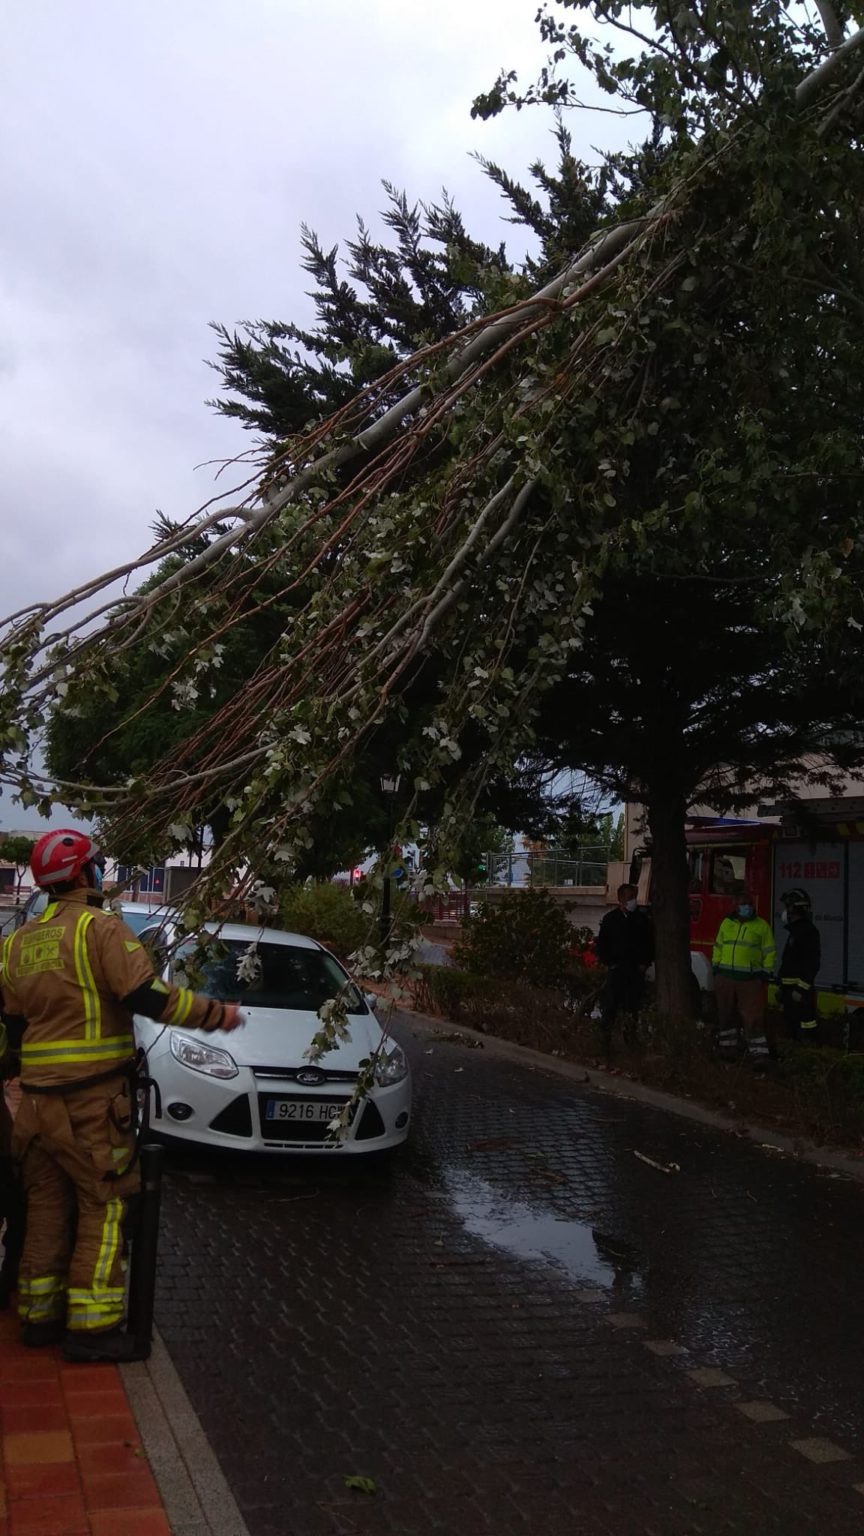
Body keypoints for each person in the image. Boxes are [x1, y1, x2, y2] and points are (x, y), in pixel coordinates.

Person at [0, 829, 244, 1362]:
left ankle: (38, 1319)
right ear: (87, 873)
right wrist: (214, 1015)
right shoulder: (102, 929)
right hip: (90, 1102)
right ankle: (93, 1329)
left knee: (44, 1205)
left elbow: (12, 1030)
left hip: (36, 1109)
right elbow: (145, 996)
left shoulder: (17, 943)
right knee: (105, 1204)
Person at [712, 888, 776, 1063]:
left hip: (749, 980)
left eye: (748, 904)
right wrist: (716, 968)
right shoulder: (727, 923)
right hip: (725, 977)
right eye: (742, 904)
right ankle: (727, 1049)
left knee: (753, 1017)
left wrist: (765, 973)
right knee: (726, 1014)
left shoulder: (761, 926)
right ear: (736, 906)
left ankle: (759, 1054)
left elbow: (769, 952)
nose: (746, 907)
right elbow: (718, 946)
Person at [595, 884, 654, 1050]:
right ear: (620, 899)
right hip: (617, 969)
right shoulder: (610, 920)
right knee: (611, 1006)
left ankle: (631, 1039)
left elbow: (649, 944)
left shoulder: (641, 920)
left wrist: (645, 963)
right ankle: (604, 1041)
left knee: (633, 1006)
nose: (632, 901)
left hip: (635, 970)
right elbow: (602, 945)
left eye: (634, 897)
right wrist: (610, 963)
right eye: (629, 898)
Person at [777, 887, 821, 1043]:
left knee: (806, 1025)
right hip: (791, 992)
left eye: (788, 908)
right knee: (792, 1025)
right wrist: (782, 987)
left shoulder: (808, 932)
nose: (786, 912)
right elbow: (789, 963)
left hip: (800, 994)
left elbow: (812, 964)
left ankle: (808, 1053)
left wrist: (800, 989)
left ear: (795, 909)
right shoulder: (796, 932)